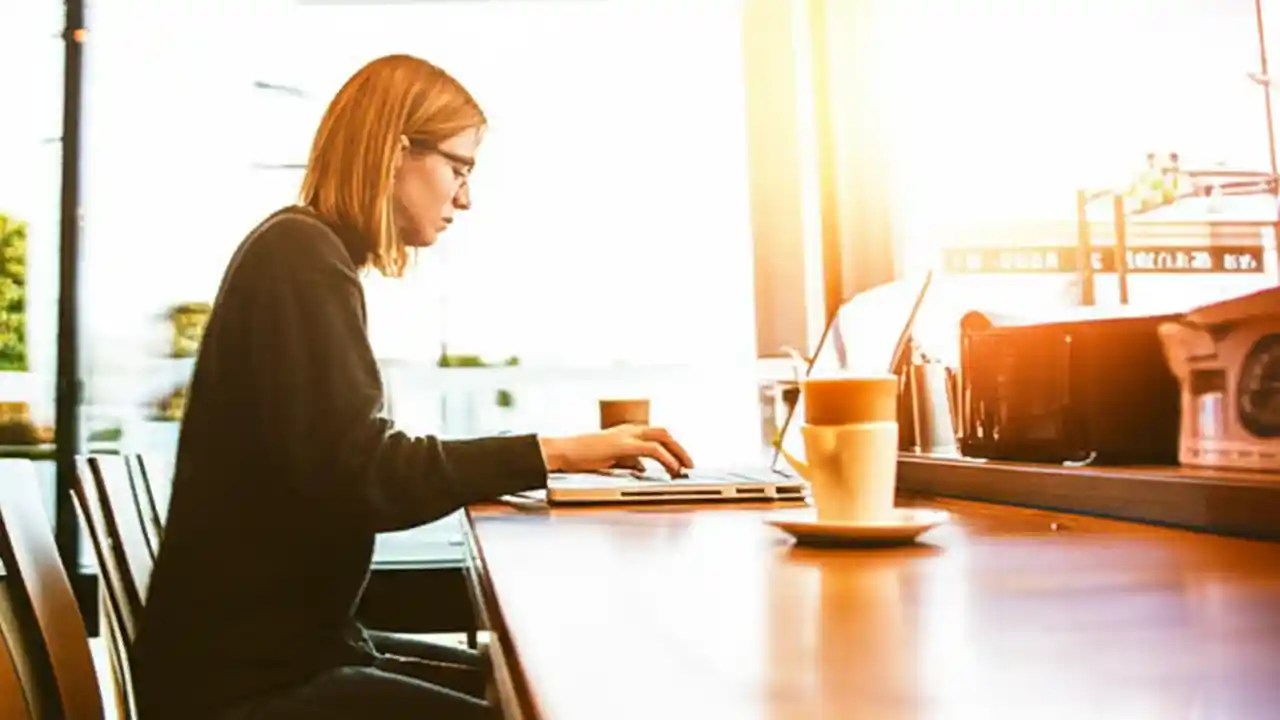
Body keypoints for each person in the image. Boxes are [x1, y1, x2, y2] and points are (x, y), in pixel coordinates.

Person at [133, 53, 694, 720]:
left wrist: (553, 456)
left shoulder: (305, 252)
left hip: (285, 659)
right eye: (459, 169)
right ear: (398, 151)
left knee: (538, 687)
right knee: (548, 700)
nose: (465, 197)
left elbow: (352, 463)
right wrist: (559, 453)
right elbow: (367, 472)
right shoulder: (300, 257)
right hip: (252, 690)